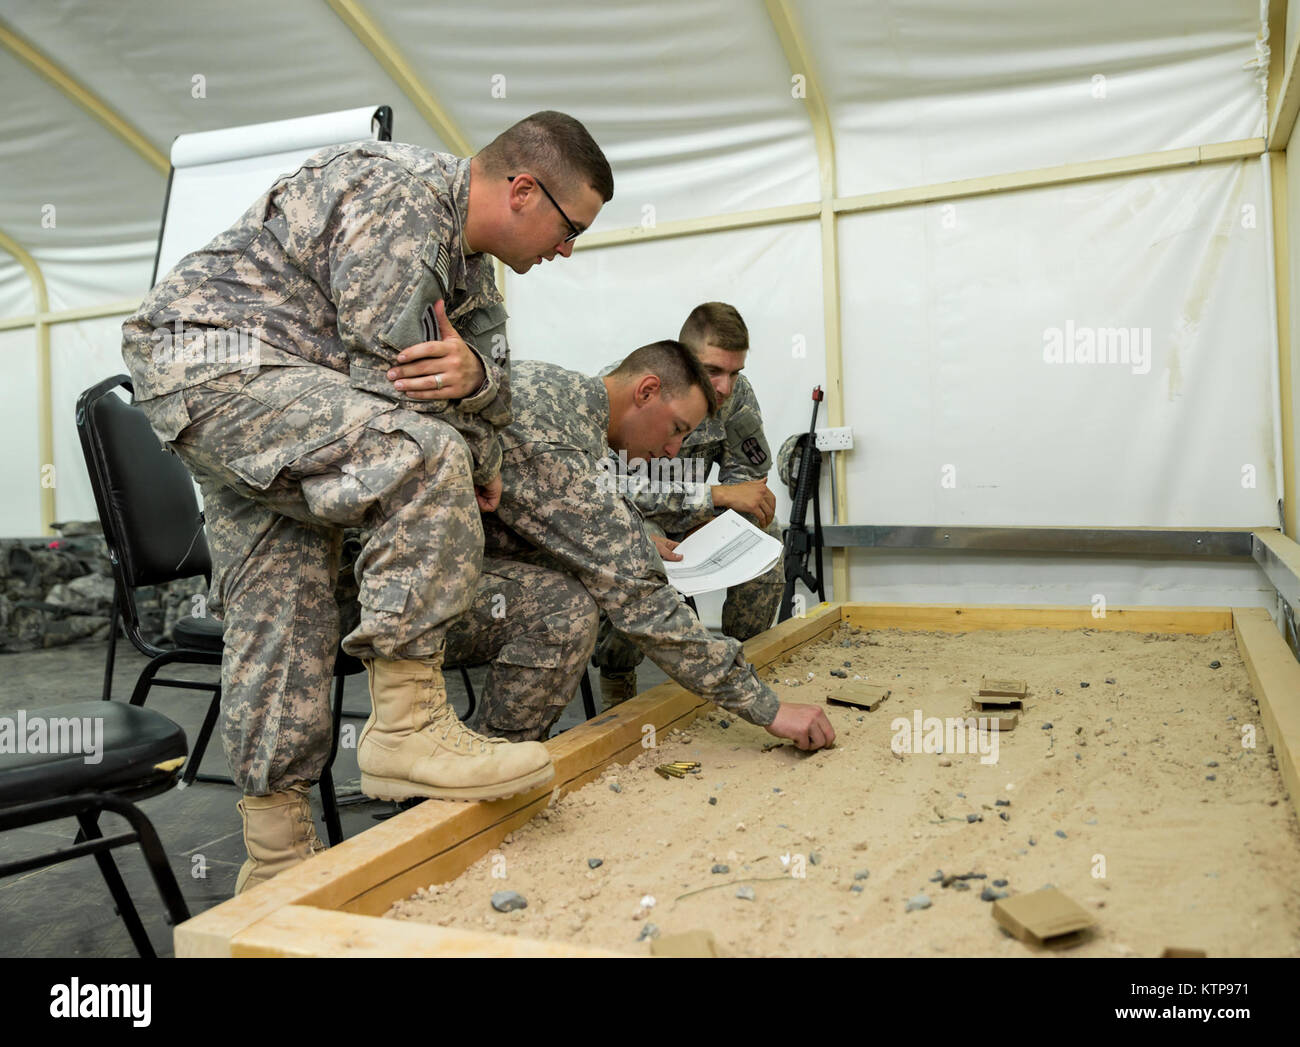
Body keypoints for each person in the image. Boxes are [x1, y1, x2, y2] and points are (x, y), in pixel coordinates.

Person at [120, 111, 612, 893]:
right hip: (214, 359)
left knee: (282, 599)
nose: (566, 248)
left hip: (294, 387)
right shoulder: (403, 195)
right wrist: (469, 428)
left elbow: (494, 400)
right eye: (569, 226)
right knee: (418, 453)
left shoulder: (472, 275)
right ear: (524, 190)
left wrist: (479, 391)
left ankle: (277, 865)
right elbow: (403, 391)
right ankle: (409, 724)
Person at [388, 341, 835, 748]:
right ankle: (491, 767)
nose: (674, 451)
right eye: (677, 429)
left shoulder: (561, 390)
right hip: (396, 596)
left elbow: (549, 514)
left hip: (425, 568)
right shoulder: (556, 443)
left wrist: (637, 537)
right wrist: (768, 709)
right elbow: (641, 600)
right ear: (646, 391)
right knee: (565, 609)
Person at [593, 302, 783, 706]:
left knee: (764, 526)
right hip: (633, 518)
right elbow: (603, 492)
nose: (725, 386)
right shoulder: (627, 388)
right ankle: (617, 675)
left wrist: (722, 514)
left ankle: (742, 663)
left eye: (735, 373)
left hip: (694, 515)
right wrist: (708, 499)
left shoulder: (734, 398)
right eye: (713, 371)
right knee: (635, 551)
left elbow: (747, 477)